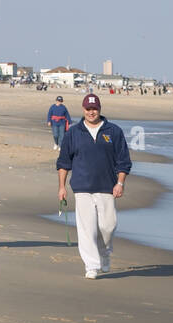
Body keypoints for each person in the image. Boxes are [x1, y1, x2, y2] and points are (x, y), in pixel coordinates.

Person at [55, 93, 131, 279]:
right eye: (88, 109)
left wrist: (120, 183)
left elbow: (124, 161)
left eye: (94, 109)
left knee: (108, 227)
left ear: (99, 109)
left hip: (107, 187)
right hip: (82, 187)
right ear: (83, 110)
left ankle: (105, 254)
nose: (91, 112)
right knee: (87, 229)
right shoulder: (73, 132)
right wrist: (62, 187)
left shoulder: (113, 131)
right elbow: (64, 162)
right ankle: (91, 265)